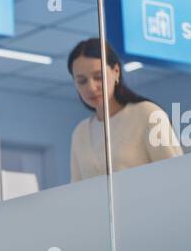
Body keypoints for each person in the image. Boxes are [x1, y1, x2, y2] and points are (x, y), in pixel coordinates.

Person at [68, 37, 183, 182]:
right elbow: (76, 191)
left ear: (116, 71)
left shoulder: (147, 114)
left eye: (98, 77)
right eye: (82, 81)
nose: (91, 87)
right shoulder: (80, 132)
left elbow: (176, 175)